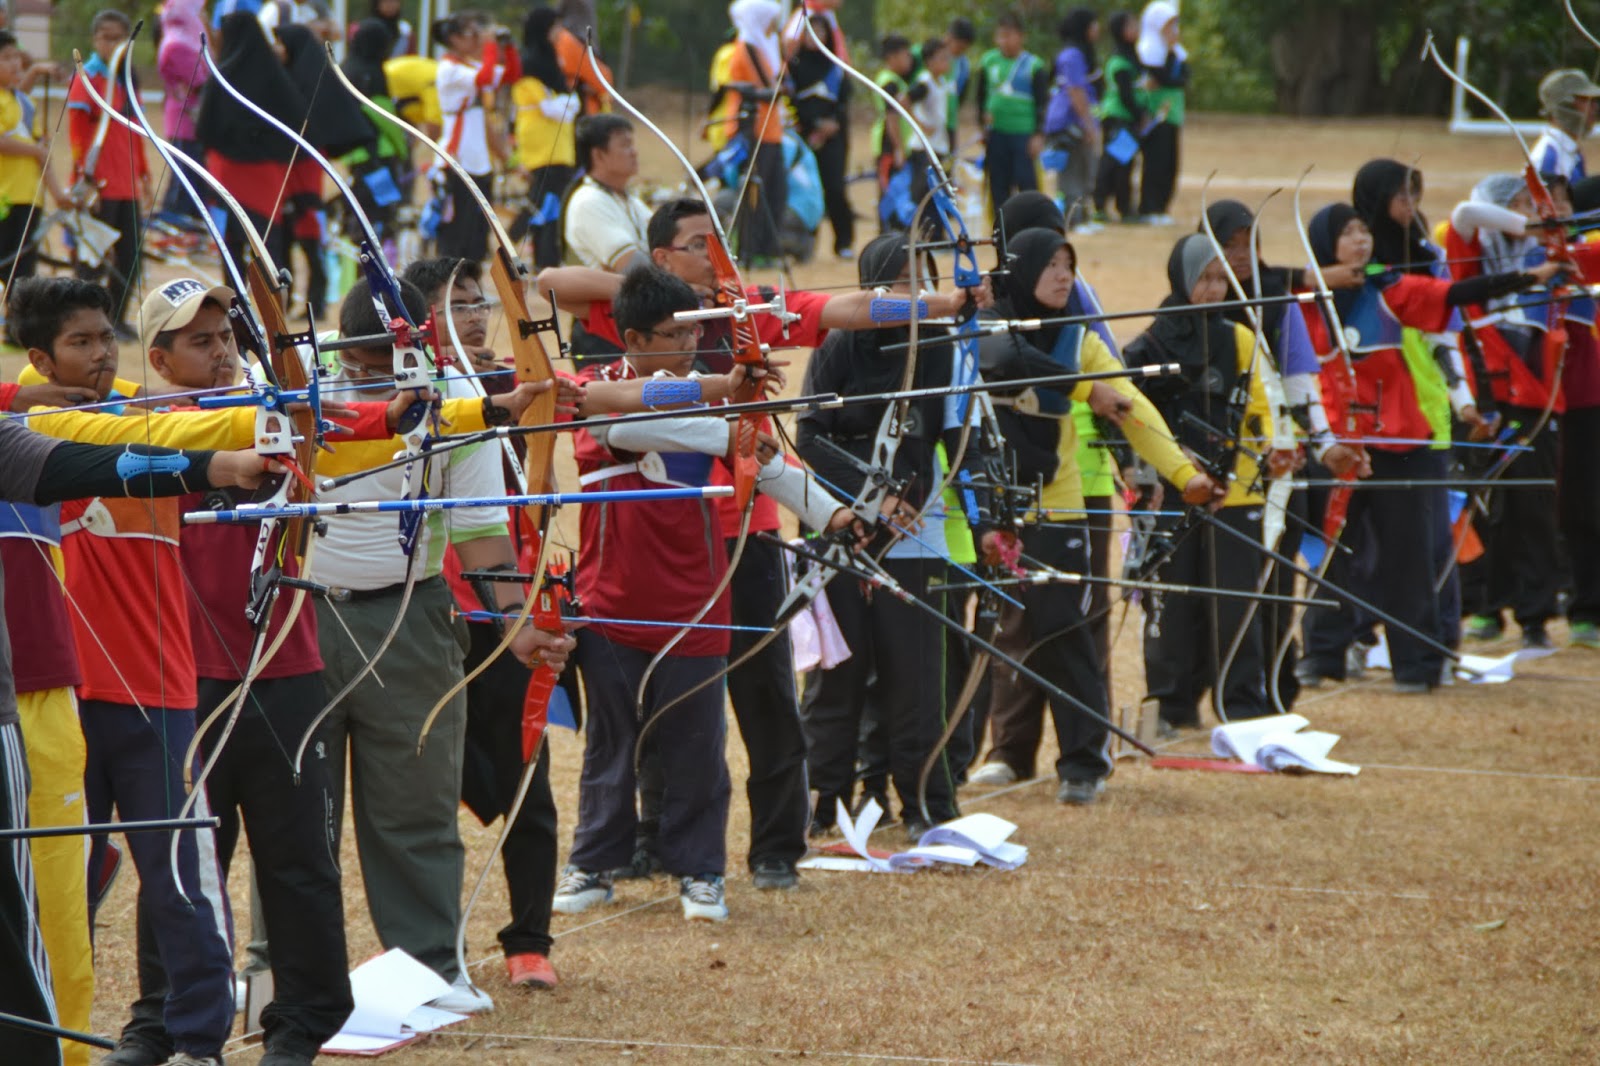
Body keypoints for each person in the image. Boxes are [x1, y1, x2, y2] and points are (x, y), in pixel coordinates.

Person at [539, 196, 982, 880]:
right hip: (659, 541)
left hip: (746, 529)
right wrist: (665, 302)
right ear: (661, 259)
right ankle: (650, 841)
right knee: (662, 694)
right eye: (697, 244)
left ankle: (776, 847)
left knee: (766, 693)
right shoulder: (644, 309)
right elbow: (549, 285)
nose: (715, 254)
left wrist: (939, 307)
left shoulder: (744, 306)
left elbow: (852, 309)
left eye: (719, 242)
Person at [9, 275, 303, 1066]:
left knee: (180, 881)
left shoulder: (160, 417)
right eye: (81, 343)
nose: (102, 355)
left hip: (158, 693)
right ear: (40, 358)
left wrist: (302, 412)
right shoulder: (27, 428)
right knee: (63, 885)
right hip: (65, 701)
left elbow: (239, 420)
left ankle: (198, 1043)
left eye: (110, 338)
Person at [553, 265, 855, 923]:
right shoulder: (595, 390)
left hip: (695, 598)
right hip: (611, 598)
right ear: (630, 337)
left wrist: (836, 516)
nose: (688, 345)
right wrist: (721, 420)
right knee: (612, 745)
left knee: (696, 743)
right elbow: (616, 430)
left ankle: (700, 872)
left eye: (692, 333)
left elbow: (767, 462)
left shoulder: (717, 401)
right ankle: (593, 864)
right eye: (670, 334)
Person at [308, 276, 567, 1013]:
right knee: (295, 811)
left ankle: (429, 968)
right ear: (356, 354)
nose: (399, 378)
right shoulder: (293, 383)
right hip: (303, 614)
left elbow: (483, 531)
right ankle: (284, 969)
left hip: (412, 615)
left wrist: (517, 627)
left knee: (417, 803)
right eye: (378, 363)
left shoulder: (458, 400)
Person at [980, 229, 1217, 799]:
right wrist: (1085, 388)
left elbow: (1134, 410)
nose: (1065, 276)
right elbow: (1004, 355)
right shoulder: (982, 329)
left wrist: (1184, 475)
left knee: (1065, 631)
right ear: (1020, 271)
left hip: (1056, 507)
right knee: (991, 633)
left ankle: (1083, 764)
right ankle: (981, 759)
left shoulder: (1080, 340)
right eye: (1052, 265)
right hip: (986, 505)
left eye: (1070, 264)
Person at [1295, 204, 1556, 692]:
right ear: (1324, 243)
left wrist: (1527, 277)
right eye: (1348, 233)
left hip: (1401, 442)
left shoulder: (1388, 287)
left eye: (1363, 230)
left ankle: (1416, 664)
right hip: (1338, 445)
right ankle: (1321, 655)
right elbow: (1258, 284)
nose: (1361, 241)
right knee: (1331, 555)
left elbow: (1452, 293)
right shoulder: (1302, 295)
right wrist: (1317, 276)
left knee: (1408, 558)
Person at [795, 232, 1005, 837]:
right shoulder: (840, 345)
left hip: (917, 534)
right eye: (902, 280)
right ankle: (824, 803)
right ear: (873, 288)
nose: (917, 292)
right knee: (836, 678)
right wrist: (872, 498)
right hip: (840, 530)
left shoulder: (943, 347)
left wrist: (989, 522)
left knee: (917, 678)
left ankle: (925, 803)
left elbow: (966, 446)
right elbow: (812, 438)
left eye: (927, 279)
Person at [970, 192, 1129, 787]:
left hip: (1079, 478)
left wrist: (1137, 465)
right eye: (1039, 248)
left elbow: (1114, 388)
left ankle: (1086, 754)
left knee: (1072, 618)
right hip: (1010, 481)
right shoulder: (985, 299)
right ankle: (1010, 750)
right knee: (1013, 617)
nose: (1058, 270)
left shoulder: (1076, 299)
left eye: (1062, 249)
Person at [1123, 234, 1292, 731]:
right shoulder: (1147, 345)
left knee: (1235, 604)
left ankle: (1240, 705)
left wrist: (1245, 467)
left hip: (1234, 495)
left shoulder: (1239, 338)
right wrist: (1174, 474)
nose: (1216, 289)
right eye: (1205, 278)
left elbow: (1261, 406)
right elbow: (1133, 423)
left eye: (1222, 279)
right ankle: (1170, 708)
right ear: (1180, 279)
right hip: (1172, 496)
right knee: (1171, 605)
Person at [1443, 175, 1575, 650]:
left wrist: (1545, 239)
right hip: (1493, 391)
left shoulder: (1543, 256)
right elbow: (1467, 211)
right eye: (1518, 204)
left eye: (1532, 204)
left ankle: (1536, 615)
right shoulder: (1470, 246)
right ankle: (1489, 607)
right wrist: (1529, 224)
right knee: (1493, 506)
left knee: (1535, 505)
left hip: (1538, 392)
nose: (1529, 213)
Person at [278, 22, 378, 322]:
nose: (278, 51)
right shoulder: (287, 77)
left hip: (305, 166)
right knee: (283, 241)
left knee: (309, 238)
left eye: (282, 45)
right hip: (285, 167)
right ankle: (286, 302)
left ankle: (315, 302)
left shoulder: (311, 80)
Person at [195, 12, 305, 270]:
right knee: (268, 246)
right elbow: (297, 121)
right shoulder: (276, 77)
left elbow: (204, 130)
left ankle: (235, 305)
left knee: (231, 247)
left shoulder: (221, 77)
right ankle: (273, 306)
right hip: (266, 174)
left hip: (226, 173)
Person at [65, 10, 149, 340]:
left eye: (119, 38)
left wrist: (142, 170)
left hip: (127, 184)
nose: (111, 44)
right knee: (92, 259)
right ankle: (82, 323)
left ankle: (115, 319)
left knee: (130, 259)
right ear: (94, 39)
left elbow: (136, 131)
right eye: (105, 37)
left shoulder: (127, 80)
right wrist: (85, 176)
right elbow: (76, 135)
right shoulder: (89, 78)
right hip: (98, 185)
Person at [433, 13, 520, 262]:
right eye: (471, 34)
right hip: (457, 156)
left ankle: (472, 283)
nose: (476, 39)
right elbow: (484, 78)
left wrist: (508, 46)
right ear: (454, 39)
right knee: (458, 227)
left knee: (478, 229)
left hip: (479, 157)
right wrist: (490, 44)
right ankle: (450, 283)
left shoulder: (468, 65)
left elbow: (510, 76)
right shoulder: (448, 68)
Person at [0, 30, 77, 281]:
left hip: (28, 199)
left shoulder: (23, 103)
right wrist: (35, 149)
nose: (15, 63)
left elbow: (40, 155)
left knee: (21, 274)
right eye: (6, 57)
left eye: (16, 57)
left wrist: (58, 194)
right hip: (4, 199)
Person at [512, 7, 580, 270]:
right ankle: (511, 242)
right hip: (542, 146)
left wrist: (568, 101)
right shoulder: (528, 63)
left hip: (559, 145)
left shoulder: (553, 62)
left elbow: (567, 104)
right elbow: (554, 108)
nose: (558, 34)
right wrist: (570, 101)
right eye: (554, 28)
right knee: (542, 202)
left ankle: (545, 258)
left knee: (551, 204)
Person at [723, 0, 788, 266]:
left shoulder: (763, 47)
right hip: (752, 131)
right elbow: (765, 87)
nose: (774, 26)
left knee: (775, 192)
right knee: (753, 196)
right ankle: (750, 251)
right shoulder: (746, 48)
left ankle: (768, 249)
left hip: (771, 130)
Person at [787, 11, 853, 259]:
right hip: (804, 137)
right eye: (809, 31)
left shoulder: (836, 68)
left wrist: (830, 125)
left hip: (834, 137)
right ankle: (806, 244)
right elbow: (791, 102)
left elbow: (843, 101)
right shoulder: (793, 67)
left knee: (835, 187)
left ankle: (844, 242)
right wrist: (813, 123)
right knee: (806, 189)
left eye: (821, 31)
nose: (815, 36)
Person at [975, 11, 1048, 210]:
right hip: (996, 133)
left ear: (1021, 36)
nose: (1005, 41)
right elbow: (980, 97)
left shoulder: (1034, 66)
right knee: (998, 184)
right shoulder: (988, 61)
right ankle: (1002, 231)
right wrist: (982, 125)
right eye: (1001, 36)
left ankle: (1030, 226)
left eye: (1009, 35)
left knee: (1026, 183)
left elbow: (1042, 102)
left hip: (1023, 134)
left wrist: (1038, 134)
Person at [1044, 9, 1102, 233]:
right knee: (1071, 171)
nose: (1097, 30)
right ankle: (1073, 219)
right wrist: (1088, 124)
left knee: (1086, 168)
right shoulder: (1071, 55)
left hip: (1080, 120)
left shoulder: (1082, 53)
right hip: (1068, 121)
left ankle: (1085, 216)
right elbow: (1075, 91)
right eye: (1093, 25)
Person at [154, 0, 208, 229]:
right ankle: (174, 216)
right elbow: (200, 80)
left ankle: (190, 216)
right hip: (184, 118)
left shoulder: (186, 40)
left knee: (193, 167)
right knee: (184, 169)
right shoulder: (178, 44)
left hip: (192, 116)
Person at [1135, 2, 1186, 225]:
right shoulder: (1148, 51)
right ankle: (1149, 207)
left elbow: (1181, 79)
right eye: (1168, 26)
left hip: (1173, 115)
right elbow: (1164, 76)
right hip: (1155, 116)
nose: (1173, 31)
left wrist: (1172, 50)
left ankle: (1163, 207)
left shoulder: (1175, 52)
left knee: (1170, 164)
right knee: (1155, 162)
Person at [1093, 11, 1144, 225]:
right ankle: (1099, 205)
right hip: (1118, 118)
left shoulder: (1132, 57)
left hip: (1126, 119)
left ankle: (1124, 207)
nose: (1137, 28)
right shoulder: (1120, 61)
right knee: (1112, 163)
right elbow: (1126, 95)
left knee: (1125, 163)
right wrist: (1141, 115)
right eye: (1132, 25)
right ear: (1121, 31)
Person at [870, 35, 914, 231]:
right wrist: (898, 148)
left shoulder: (896, 80)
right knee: (889, 190)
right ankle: (887, 232)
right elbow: (892, 116)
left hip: (895, 144)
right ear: (892, 57)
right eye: (906, 55)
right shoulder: (889, 81)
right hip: (888, 144)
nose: (909, 60)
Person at [906, 38, 953, 211]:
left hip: (939, 147)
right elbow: (904, 101)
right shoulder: (924, 84)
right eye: (941, 58)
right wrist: (921, 125)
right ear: (929, 61)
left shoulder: (942, 82)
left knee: (939, 196)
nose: (946, 62)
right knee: (924, 198)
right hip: (924, 148)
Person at [1532, 68, 1600, 185]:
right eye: (1585, 100)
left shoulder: (1568, 149)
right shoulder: (1549, 156)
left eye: (1594, 101)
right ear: (1565, 105)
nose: (1595, 107)